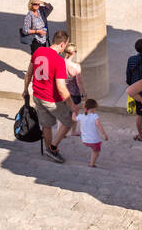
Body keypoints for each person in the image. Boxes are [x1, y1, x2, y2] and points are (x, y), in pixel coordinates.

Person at [23, 29, 76, 164]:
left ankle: (48, 148)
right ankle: (52, 148)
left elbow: (29, 73)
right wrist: (72, 105)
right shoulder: (58, 61)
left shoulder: (38, 51)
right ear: (63, 44)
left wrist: (25, 90)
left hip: (37, 95)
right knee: (69, 120)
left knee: (46, 125)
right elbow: (61, 88)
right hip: (52, 100)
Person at [126, 38, 142, 141]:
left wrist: (132, 85)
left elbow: (128, 76)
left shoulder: (131, 59)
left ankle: (141, 135)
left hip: (135, 92)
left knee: (139, 115)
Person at [63, 43, 85, 134]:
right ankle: (73, 131)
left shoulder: (59, 62)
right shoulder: (76, 66)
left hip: (63, 91)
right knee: (74, 113)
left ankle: (62, 133)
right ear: (74, 53)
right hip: (74, 93)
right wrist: (84, 94)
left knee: (63, 114)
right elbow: (79, 83)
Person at [77, 98, 107, 167]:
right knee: (96, 152)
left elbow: (74, 119)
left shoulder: (81, 116)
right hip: (94, 141)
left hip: (84, 140)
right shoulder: (95, 116)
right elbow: (99, 126)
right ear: (94, 108)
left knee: (93, 149)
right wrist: (104, 134)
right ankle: (92, 164)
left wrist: (73, 113)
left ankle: (91, 162)